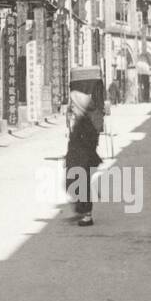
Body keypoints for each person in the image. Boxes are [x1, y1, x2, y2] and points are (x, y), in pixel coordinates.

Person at [65, 90, 101, 227]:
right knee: (74, 185)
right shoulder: (79, 120)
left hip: (83, 160)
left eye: (73, 105)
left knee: (82, 186)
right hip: (78, 159)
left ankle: (87, 215)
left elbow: (90, 142)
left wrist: (82, 157)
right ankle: (81, 210)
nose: (71, 107)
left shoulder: (85, 123)